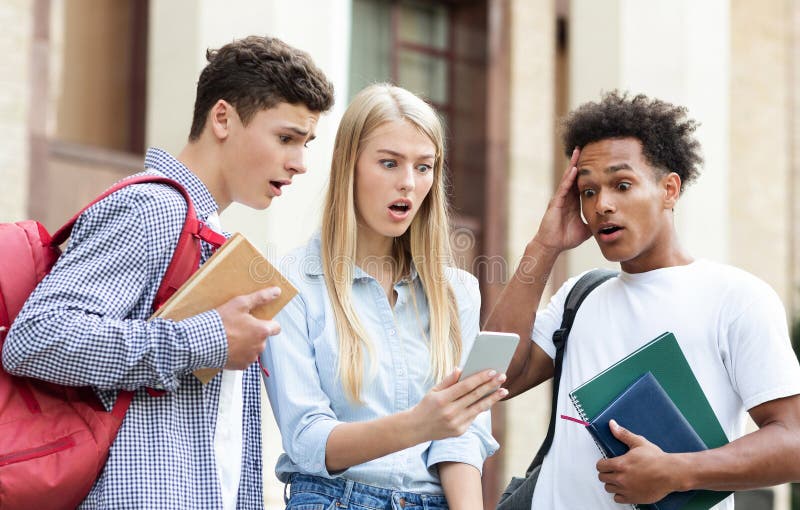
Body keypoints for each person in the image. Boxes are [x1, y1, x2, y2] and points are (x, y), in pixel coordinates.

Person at [3, 35, 334, 509]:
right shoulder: (151, 208)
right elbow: (37, 338)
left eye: (307, 144)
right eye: (286, 138)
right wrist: (209, 340)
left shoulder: (208, 233)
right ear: (223, 118)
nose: (300, 164)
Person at [485, 91, 800, 509]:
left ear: (669, 189)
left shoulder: (737, 298)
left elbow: (792, 440)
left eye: (622, 184)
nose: (603, 205)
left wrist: (679, 471)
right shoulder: (580, 296)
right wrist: (543, 248)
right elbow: (486, 381)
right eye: (588, 192)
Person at [261, 83, 505, 509]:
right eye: (389, 163)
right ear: (348, 166)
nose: (408, 183)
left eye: (424, 166)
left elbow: (462, 439)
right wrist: (419, 425)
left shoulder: (458, 292)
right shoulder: (292, 281)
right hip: (333, 499)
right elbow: (306, 440)